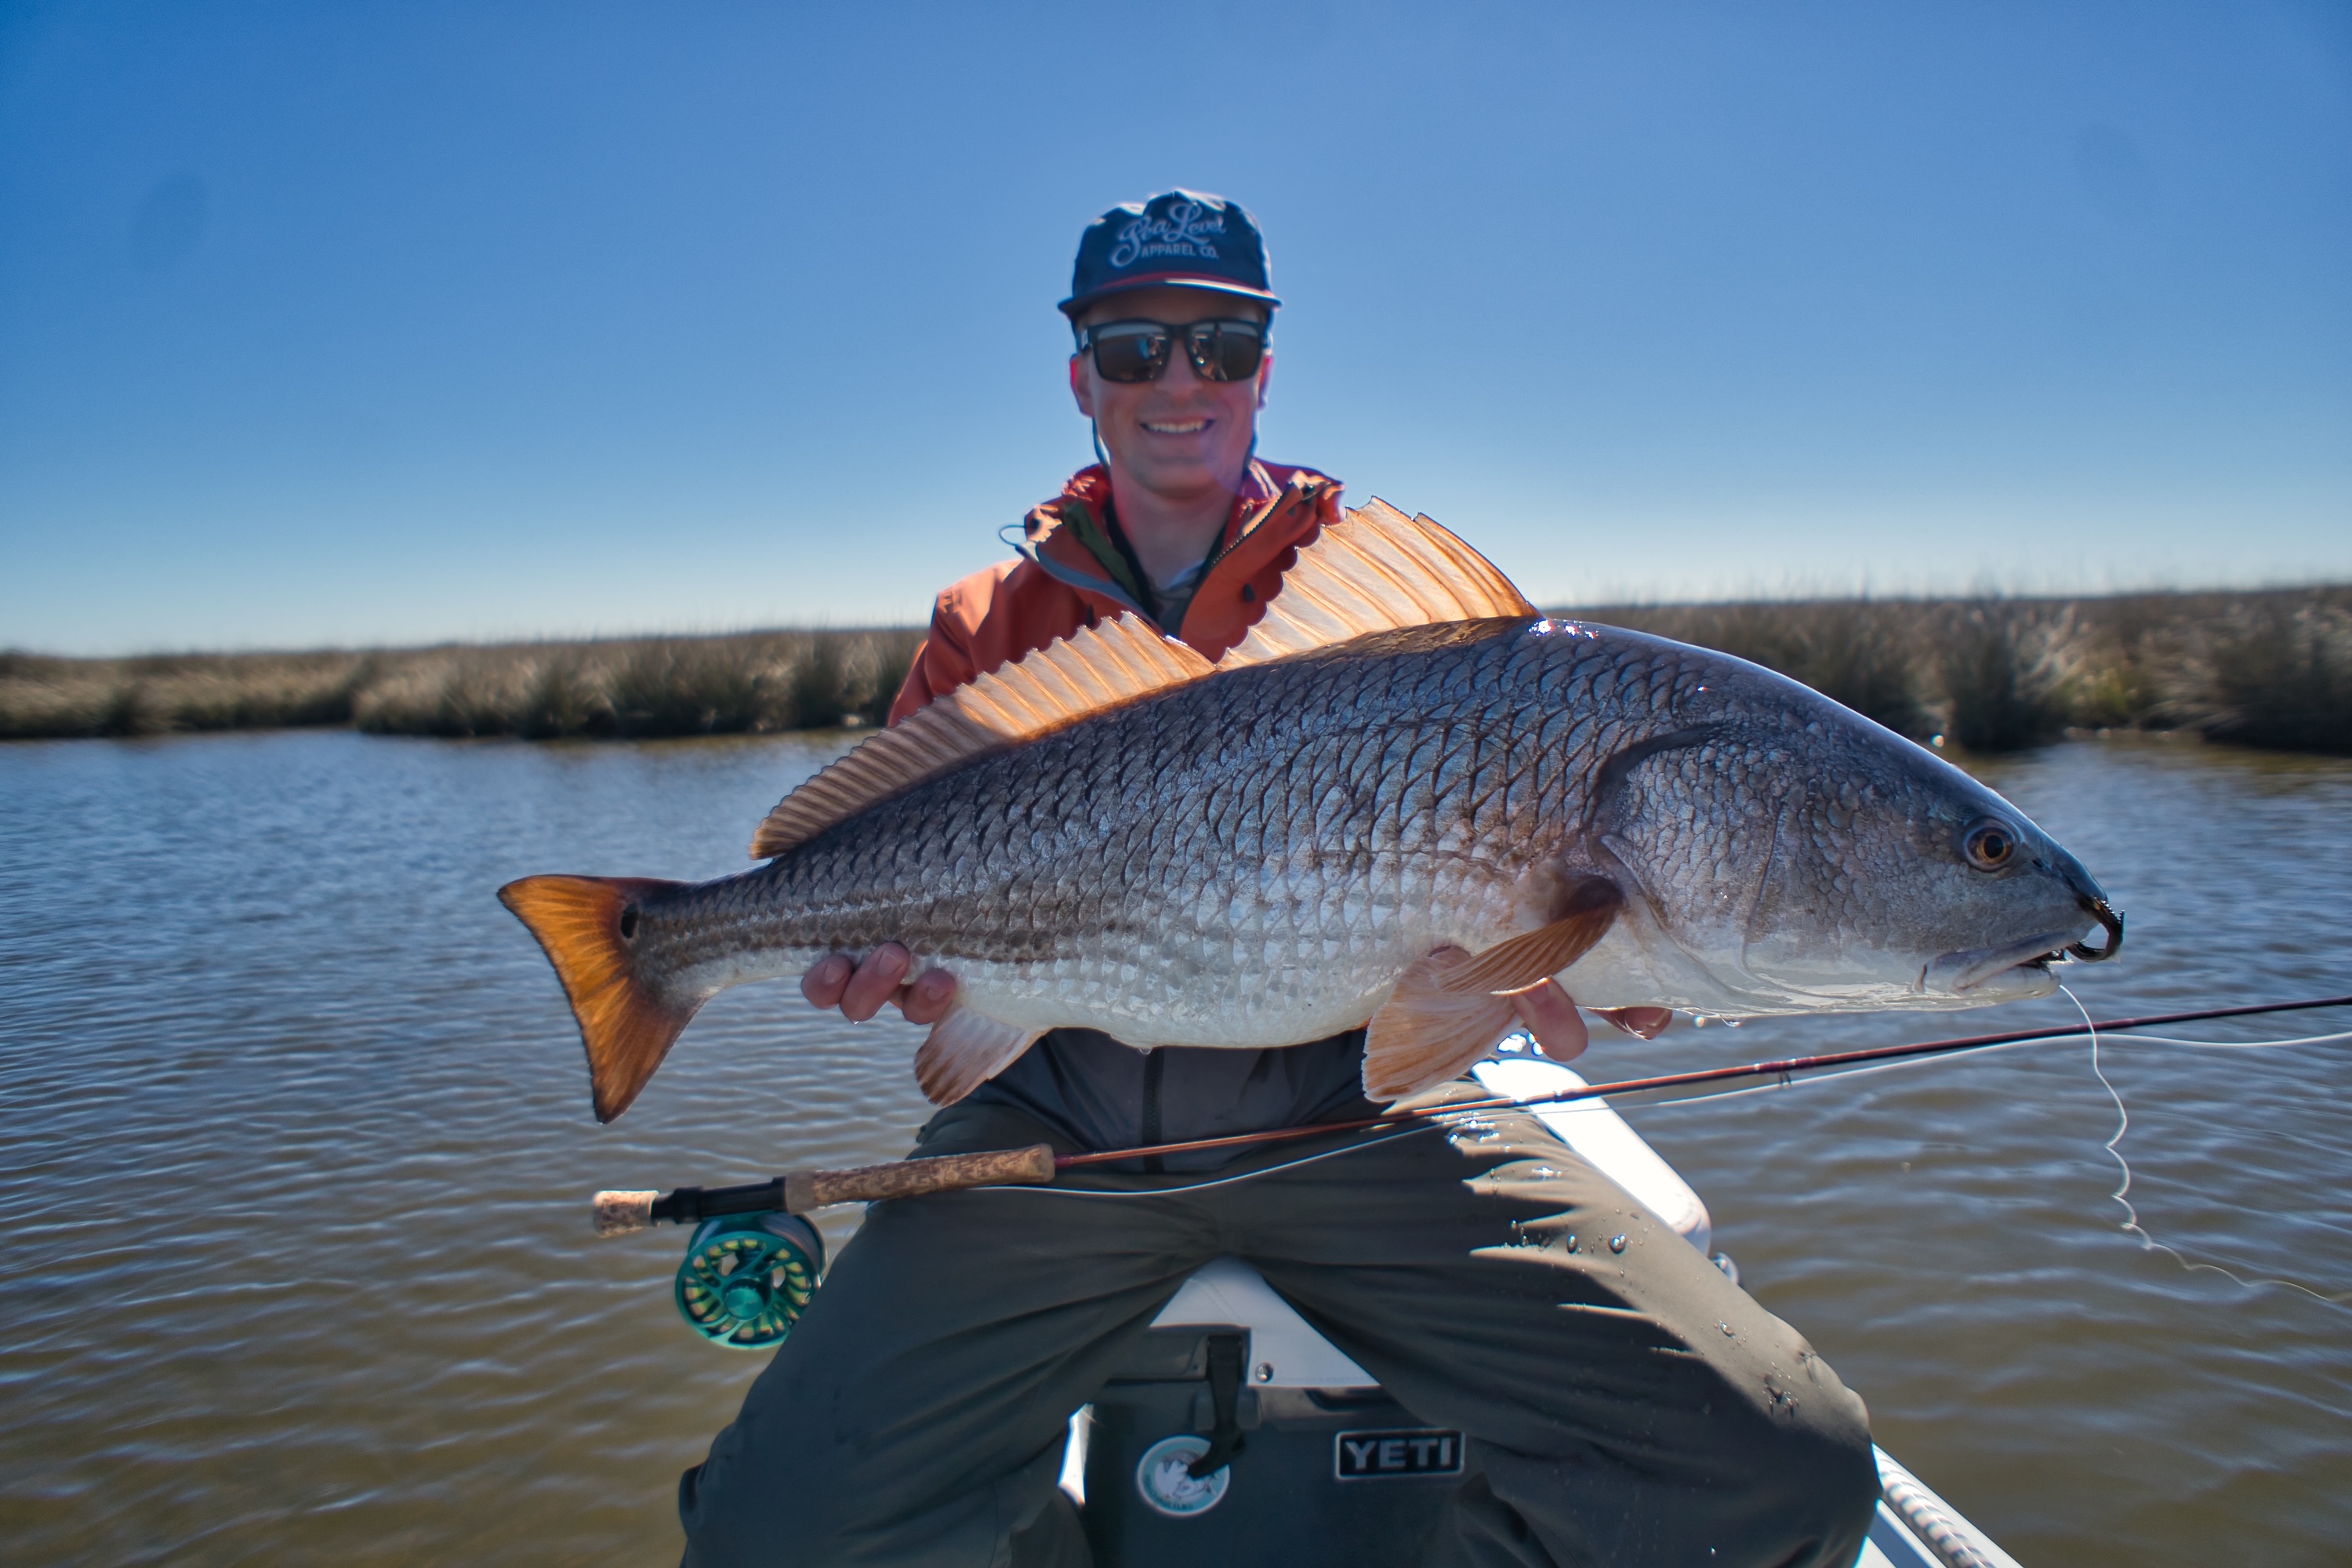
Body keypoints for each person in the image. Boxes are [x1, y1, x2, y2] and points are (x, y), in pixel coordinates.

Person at [677, 191, 1879, 1567]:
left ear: (1264, 369)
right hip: (1052, 1126)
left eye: (1223, 343)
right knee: (772, 1533)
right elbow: (905, 893)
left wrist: (1609, 968)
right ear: (1080, 378)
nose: (1179, 379)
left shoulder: (1393, 604)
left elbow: (1543, 924)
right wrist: (891, 972)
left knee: (1778, 1469)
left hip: (1353, 1108)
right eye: (1134, 348)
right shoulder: (984, 622)